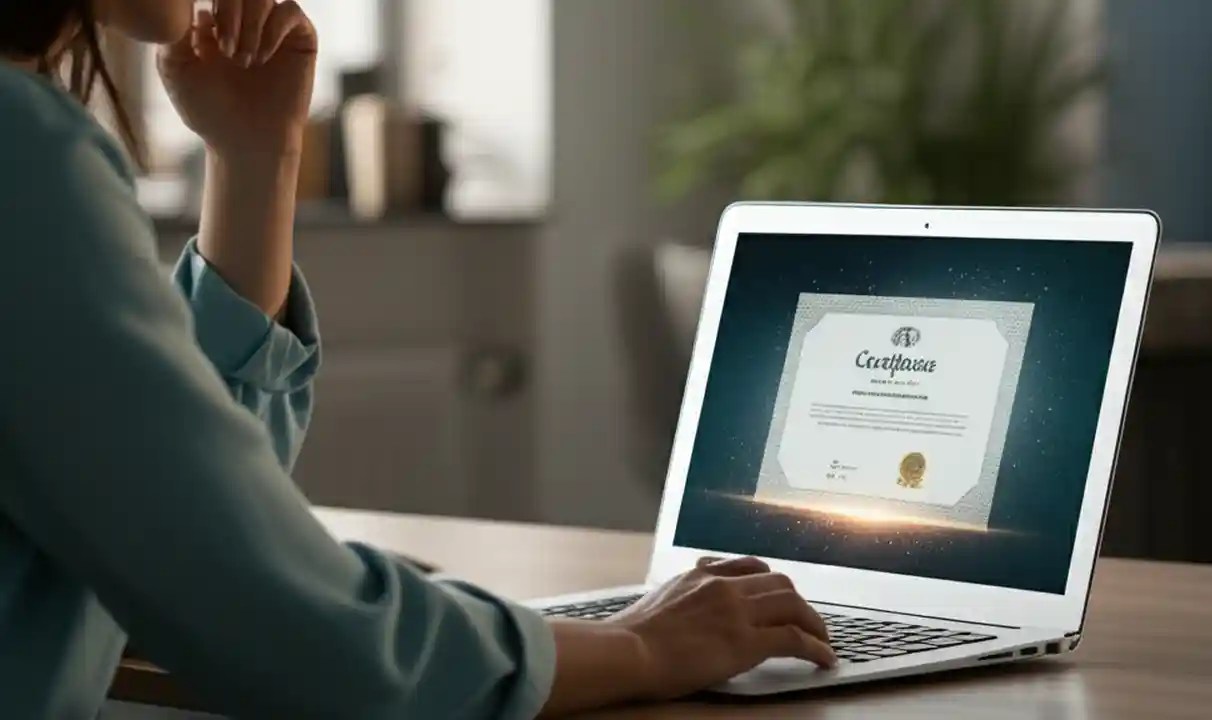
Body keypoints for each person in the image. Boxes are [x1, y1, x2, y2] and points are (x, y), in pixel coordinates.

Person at [0, 1, 836, 717]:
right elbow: (273, 618)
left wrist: (255, 161)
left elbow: (169, 517)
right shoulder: (24, 154)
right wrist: (639, 647)